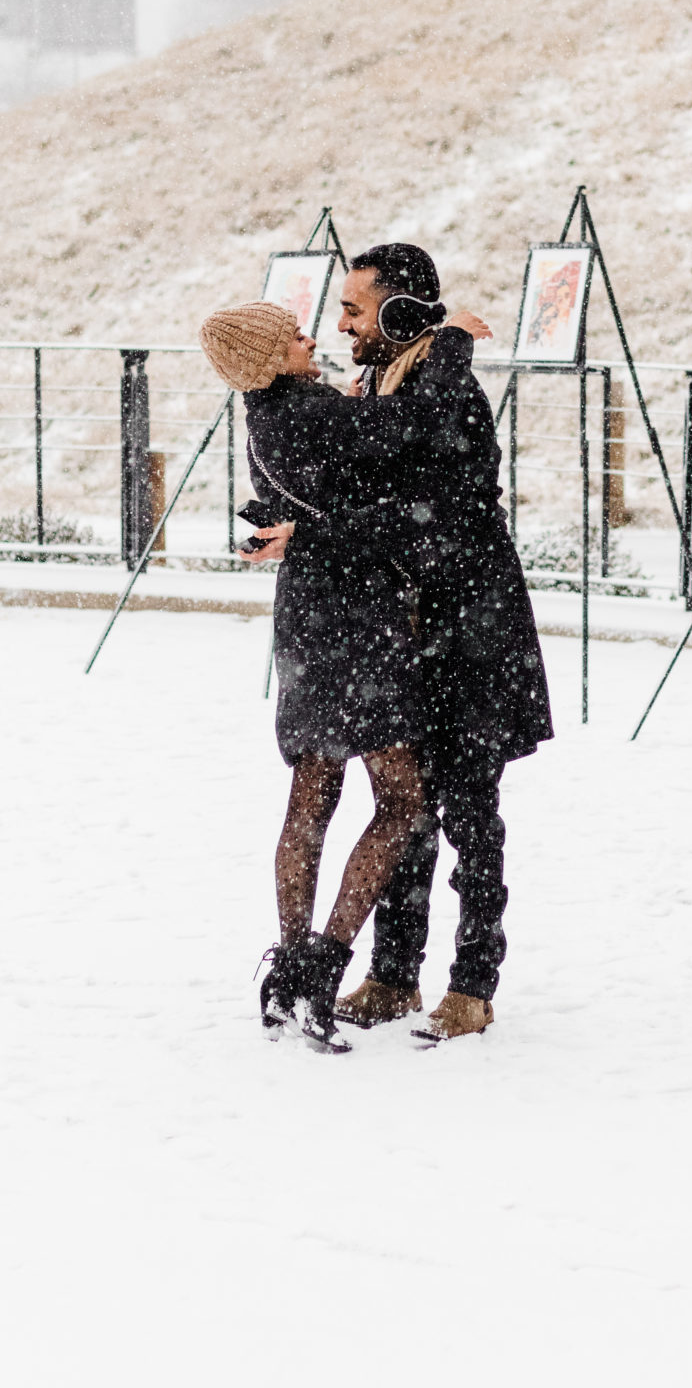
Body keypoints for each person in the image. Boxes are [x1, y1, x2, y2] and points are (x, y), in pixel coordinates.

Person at [251, 244, 554, 1041]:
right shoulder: (385, 382)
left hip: (467, 627)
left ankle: (471, 984)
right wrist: (304, 529)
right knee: (408, 814)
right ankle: (391, 975)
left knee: (468, 812)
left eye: (353, 309)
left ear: (398, 312)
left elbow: (439, 515)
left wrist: (316, 535)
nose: (339, 324)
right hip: (408, 627)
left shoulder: (438, 390)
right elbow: (376, 496)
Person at [199, 298, 486, 1052]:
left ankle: (290, 966)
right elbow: (408, 430)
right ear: (266, 357)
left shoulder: (270, 412)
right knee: (400, 801)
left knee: (314, 794)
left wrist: (294, 521)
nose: (308, 338)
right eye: (290, 336)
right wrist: (451, 343)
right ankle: (324, 964)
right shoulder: (309, 410)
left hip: (309, 617)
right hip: (357, 619)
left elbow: (310, 486)